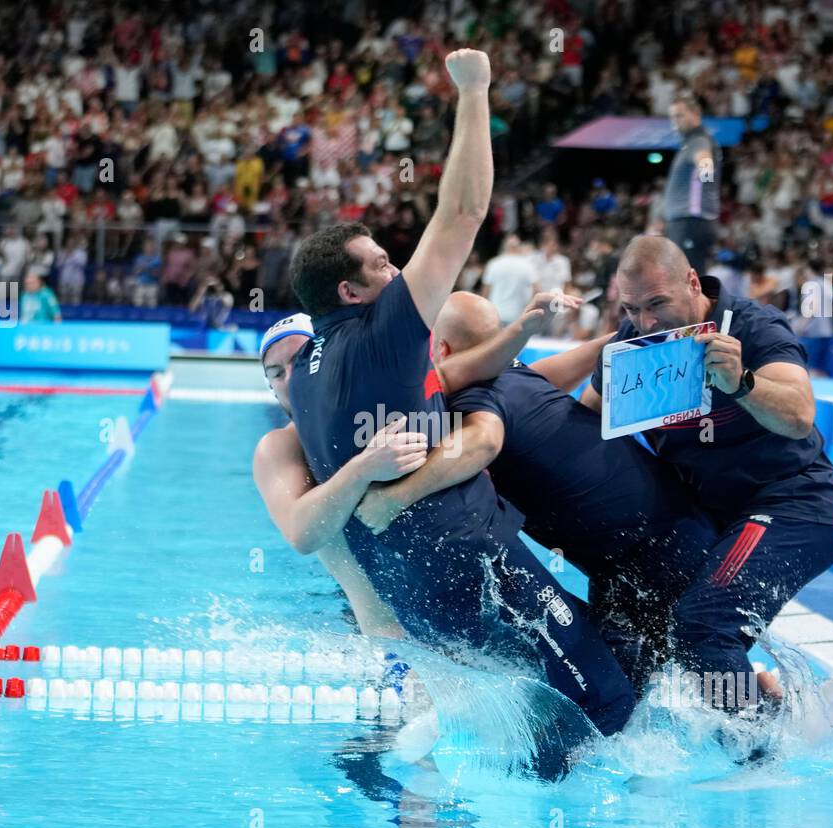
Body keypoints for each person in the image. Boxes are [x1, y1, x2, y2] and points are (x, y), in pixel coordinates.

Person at [285, 49, 639, 753]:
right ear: (351, 293)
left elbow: (444, 380)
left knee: (547, 692)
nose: (399, 269)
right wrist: (474, 91)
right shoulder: (383, 331)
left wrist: (528, 333)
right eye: (383, 264)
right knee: (606, 697)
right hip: (470, 560)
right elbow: (465, 210)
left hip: (412, 586)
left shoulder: (306, 372)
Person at [355, 291, 784, 708]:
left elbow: (482, 443)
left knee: (632, 687)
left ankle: (770, 728)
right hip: (654, 536)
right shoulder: (517, 373)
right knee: (638, 676)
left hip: (651, 549)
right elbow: (571, 366)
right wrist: (617, 337)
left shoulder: (475, 398)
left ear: (441, 349)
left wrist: (394, 499)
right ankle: (769, 695)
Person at [577, 236, 833, 710]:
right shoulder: (632, 347)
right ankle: (770, 704)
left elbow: (800, 413)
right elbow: (586, 422)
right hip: (708, 520)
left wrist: (742, 383)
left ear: (693, 283)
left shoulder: (754, 327)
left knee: (704, 624)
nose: (648, 322)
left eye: (657, 303)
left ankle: (758, 754)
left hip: (790, 507)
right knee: (629, 626)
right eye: (632, 309)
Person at [252, 314, 420, 638]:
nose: (289, 379)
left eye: (298, 361)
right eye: (276, 373)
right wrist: (364, 468)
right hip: (374, 620)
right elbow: (302, 534)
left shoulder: (390, 404)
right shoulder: (280, 448)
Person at [663, 93, 721, 274]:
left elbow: (706, 165)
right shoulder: (689, 143)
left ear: (696, 114)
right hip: (686, 221)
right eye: (672, 116)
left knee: (690, 278)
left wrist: (704, 191)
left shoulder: (698, 141)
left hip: (691, 220)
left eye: (679, 115)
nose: (675, 121)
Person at [480, 234, 537, 325]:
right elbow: (536, 291)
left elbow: (485, 294)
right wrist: (528, 310)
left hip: (496, 315)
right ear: (518, 247)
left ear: (504, 246)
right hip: (518, 317)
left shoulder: (493, 264)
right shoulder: (527, 265)